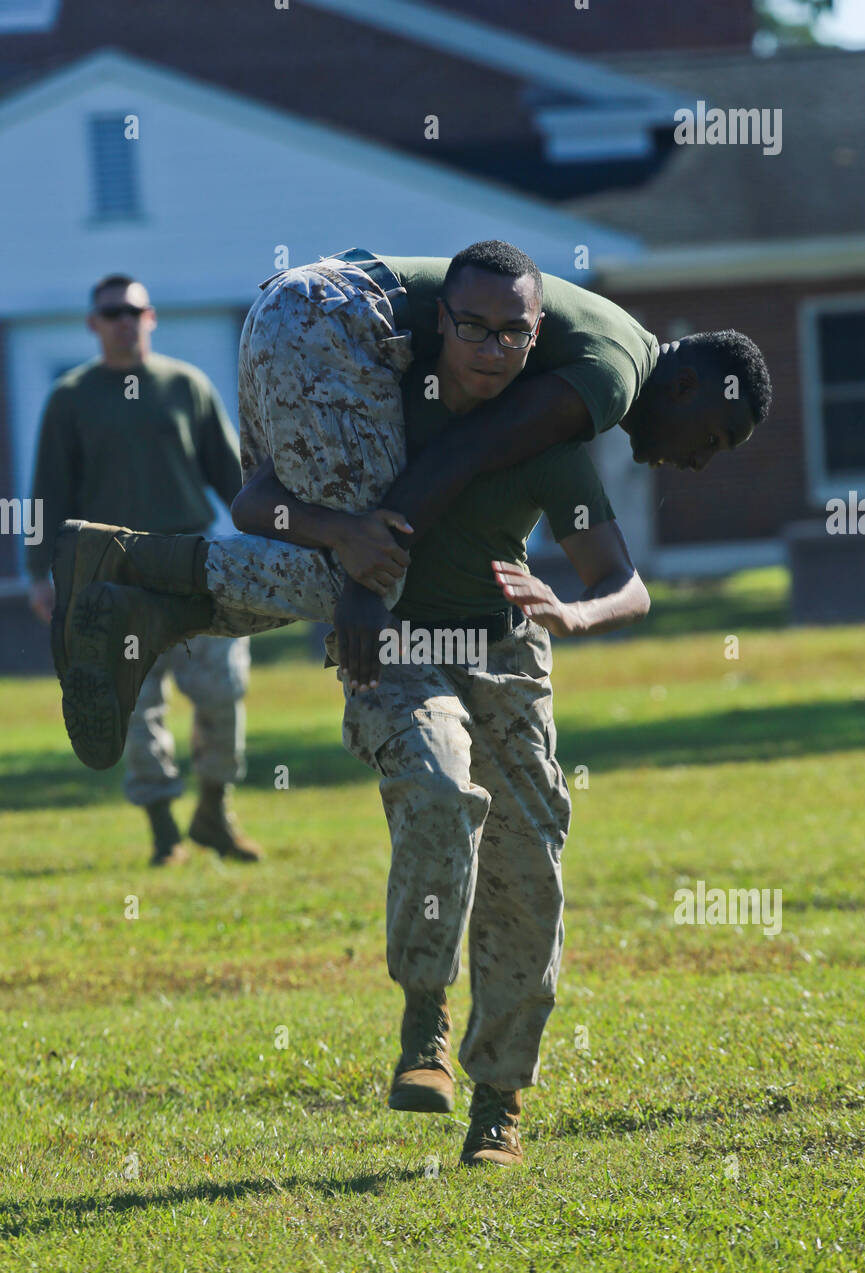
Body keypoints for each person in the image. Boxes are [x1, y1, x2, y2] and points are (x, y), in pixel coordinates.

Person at [48, 244, 772, 1163]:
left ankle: (499, 1102)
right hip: (395, 653)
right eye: (473, 331)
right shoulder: (375, 422)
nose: (492, 352)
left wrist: (575, 610)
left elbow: (624, 579)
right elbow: (260, 502)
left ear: (534, 340)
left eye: (513, 336)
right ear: (431, 330)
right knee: (436, 785)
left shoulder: (548, 440)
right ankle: (424, 1027)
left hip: (504, 652)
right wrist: (349, 556)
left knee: (530, 866)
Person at [28, 274, 262, 865]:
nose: (124, 320)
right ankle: (163, 832)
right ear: (93, 324)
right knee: (131, 700)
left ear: (151, 317)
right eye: (111, 312)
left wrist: (272, 541)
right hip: (112, 571)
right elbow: (47, 494)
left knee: (222, 690)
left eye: (134, 310)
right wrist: (41, 574)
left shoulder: (186, 385)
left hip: (192, 561)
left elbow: (232, 477)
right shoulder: (71, 398)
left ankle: (214, 810)